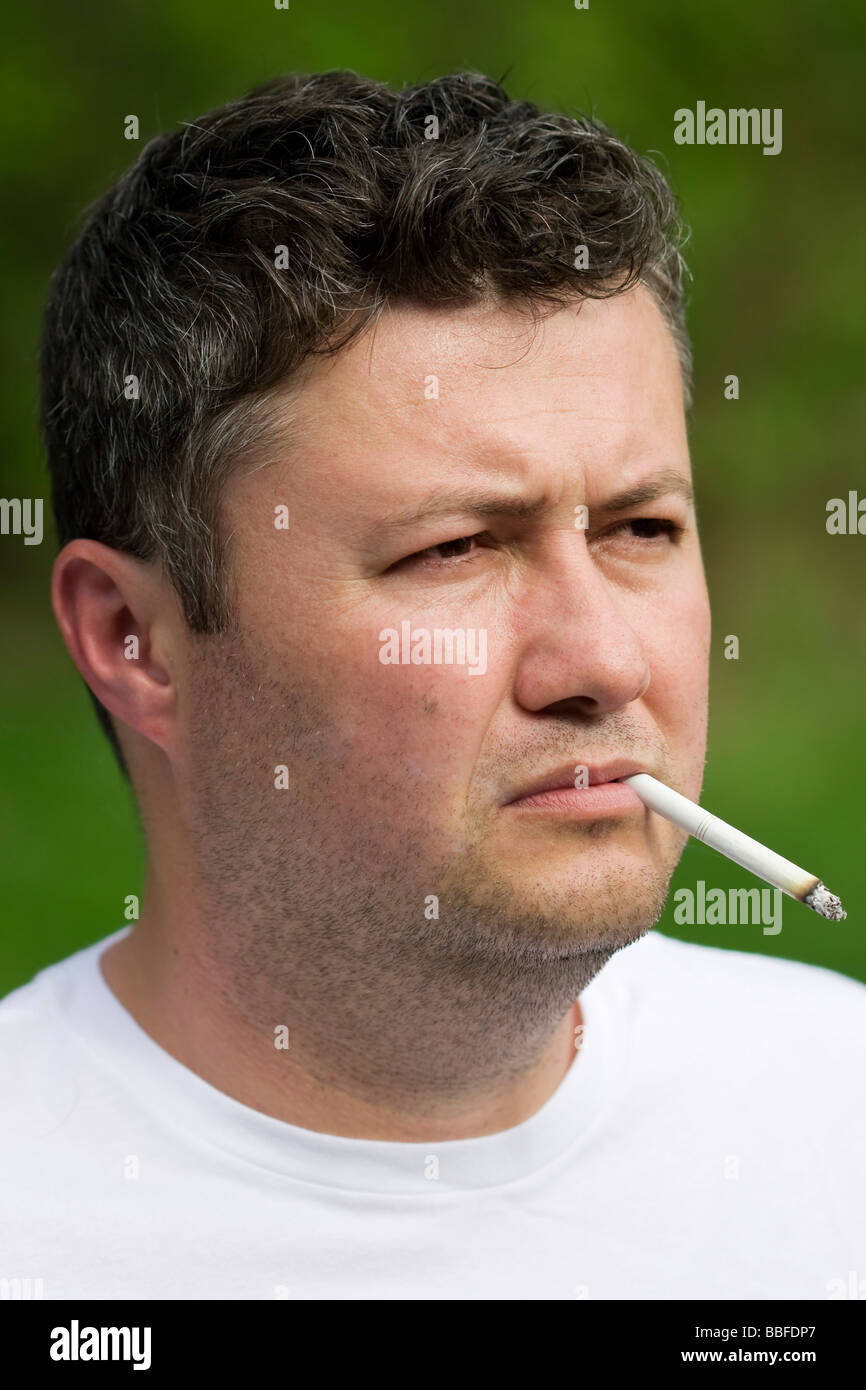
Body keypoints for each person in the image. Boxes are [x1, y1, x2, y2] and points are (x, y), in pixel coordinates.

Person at [2, 69, 862, 1301]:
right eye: (454, 548)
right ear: (136, 640)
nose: (605, 662)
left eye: (639, 529)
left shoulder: (837, 1119)